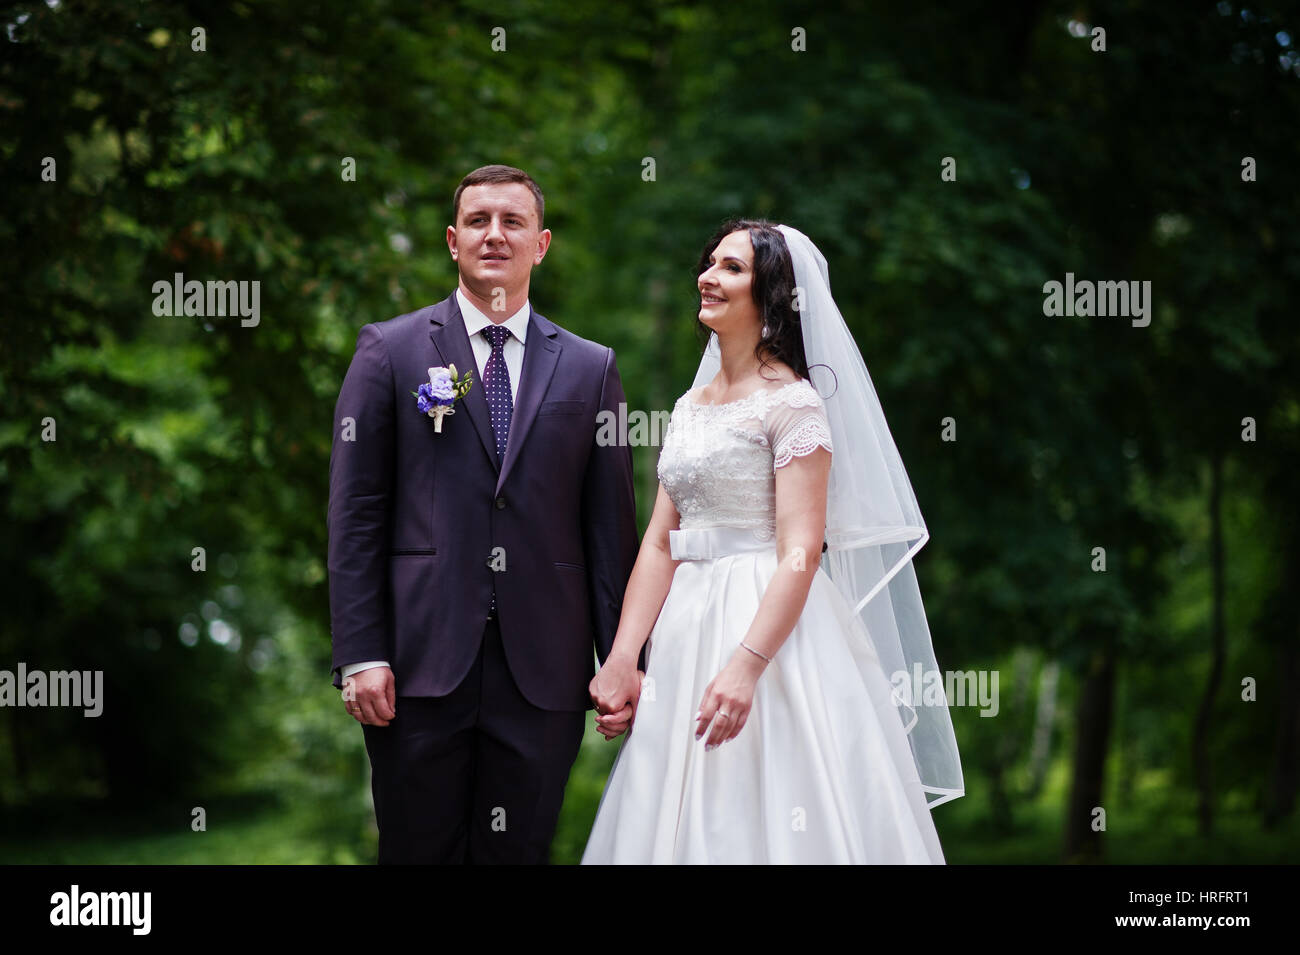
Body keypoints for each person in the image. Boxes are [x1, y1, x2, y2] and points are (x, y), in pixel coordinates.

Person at [582, 219, 964, 863]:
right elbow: (658, 544)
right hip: (683, 631)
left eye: (732, 268)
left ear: (775, 295)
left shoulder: (794, 405)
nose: (708, 276)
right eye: (710, 263)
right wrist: (623, 659)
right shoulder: (690, 406)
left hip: (770, 628)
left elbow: (802, 550)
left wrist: (745, 665)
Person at [327, 164, 640, 864]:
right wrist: (360, 651)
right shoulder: (391, 349)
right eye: (477, 221)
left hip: (545, 671)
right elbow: (356, 516)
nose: (493, 234)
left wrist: (626, 661)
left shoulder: (592, 368)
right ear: (451, 239)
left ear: (542, 243)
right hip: (415, 665)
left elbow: (611, 532)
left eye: (512, 221)